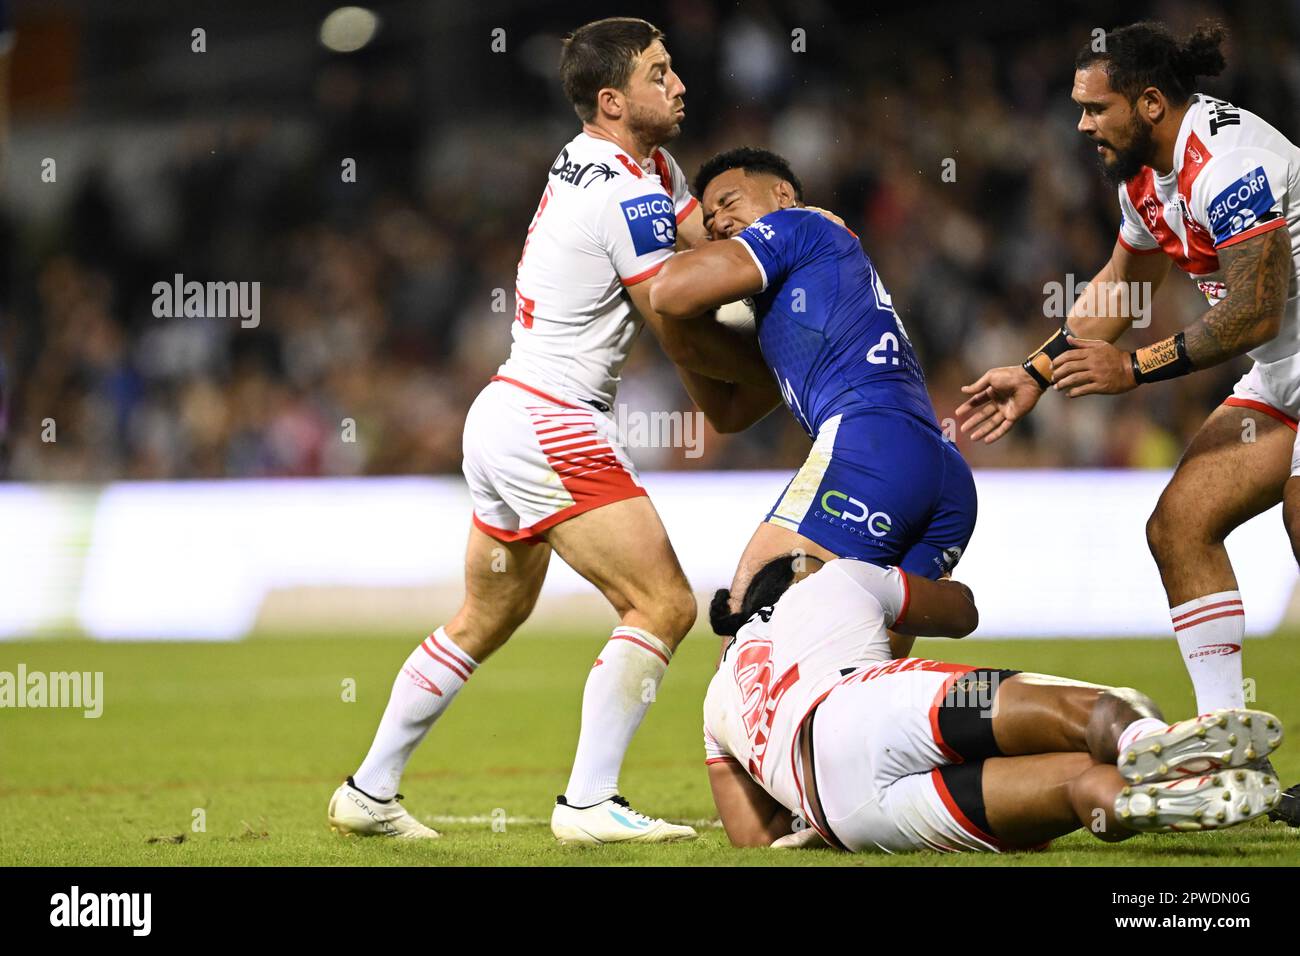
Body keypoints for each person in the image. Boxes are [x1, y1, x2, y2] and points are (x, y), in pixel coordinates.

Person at [329, 17, 767, 845]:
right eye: (659, 73)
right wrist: (777, 364)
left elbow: (698, 239)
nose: (679, 84)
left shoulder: (644, 167)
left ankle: (369, 789)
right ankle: (589, 803)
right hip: (550, 421)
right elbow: (675, 322)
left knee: (484, 618)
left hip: (508, 412)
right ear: (612, 101)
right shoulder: (622, 190)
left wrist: (767, 243)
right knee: (663, 603)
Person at [953, 19, 1300, 825]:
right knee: (1180, 526)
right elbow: (1121, 283)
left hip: (1281, 350)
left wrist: (1134, 368)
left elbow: (1254, 309)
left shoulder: (1228, 161)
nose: (1081, 124)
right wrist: (1036, 372)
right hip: (1285, 375)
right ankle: (1227, 752)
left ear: (1149, 103)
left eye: (1094, 108)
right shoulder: (1145, 181)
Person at [703, 554, 1284, 852]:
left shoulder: (717, 695)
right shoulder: (835, 579)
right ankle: (1146, 741)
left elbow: (753, 836)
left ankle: (1135, 802)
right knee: (1098, 712)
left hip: (844, 816)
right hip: (865, 700)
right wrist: (931, 571)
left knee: (1077, 787)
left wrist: (807, 817)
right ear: (799, 575)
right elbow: (961, 614)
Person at [648, 148, 978, 649]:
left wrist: (652, 251)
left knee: (752, 637)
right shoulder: (801, 301)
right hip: (940, 473)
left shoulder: (796, 224)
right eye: (709, 222)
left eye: (728, 203)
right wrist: (688, 335)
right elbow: (729, 413)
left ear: (782, 194)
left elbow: (668, 292)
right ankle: (952, 611)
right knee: (864, 675)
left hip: (869, 447)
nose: (718, 224)